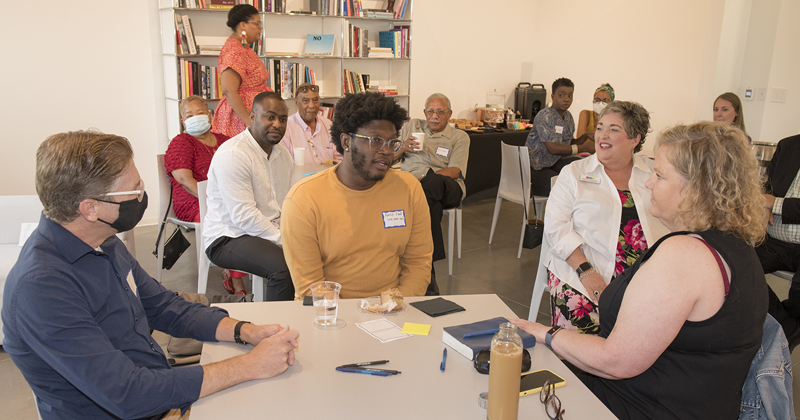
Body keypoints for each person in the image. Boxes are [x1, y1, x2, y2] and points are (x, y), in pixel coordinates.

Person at [2, 130, 299, 420]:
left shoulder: (103, 242)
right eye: (134, 190)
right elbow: (128, 394)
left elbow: (163, 306)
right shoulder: (42, 288)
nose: (143, 195)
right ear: (90, 209)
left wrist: (244, 331)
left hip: (160, 393)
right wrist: (249, 366)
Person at [513, 121, 768, 420]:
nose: (648, 183)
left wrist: (546, 333)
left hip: (645, 406)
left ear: (696, 190)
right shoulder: (736, 245)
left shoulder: (684, 256)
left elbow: (616, 361)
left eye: (659, 176)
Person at [281, 92, 433, 299]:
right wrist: (360, 316)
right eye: (375, 140)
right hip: (331, 316)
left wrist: (394, 304)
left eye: (391, 142)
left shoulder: (409, 188)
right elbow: (310, 287)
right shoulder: (303, 200)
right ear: (346, 141)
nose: (386, 151)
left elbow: (418, 263)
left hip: (395, 308)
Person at [543, 101, 669, 334]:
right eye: (600, 127)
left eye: (614, 129)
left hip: (644, 278)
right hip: (582, 274)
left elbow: (674, 220)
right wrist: (588, 273)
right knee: (582, 340)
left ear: (635, 139)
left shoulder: (653, 174)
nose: (603, 135)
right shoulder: (574, 174)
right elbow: (556, 228)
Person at [204, 92, 294, 300]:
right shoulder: (234, 154)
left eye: (282, 119)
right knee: (283, 267)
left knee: (315, 254)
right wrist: (284, 240)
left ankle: (307, 316)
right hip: (228, 236)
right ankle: (276, 329)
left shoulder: (283, 155)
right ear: (252, 117)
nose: (277, 124)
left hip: (262, 230)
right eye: (269, 117)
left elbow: (283, 205)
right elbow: (243, 216)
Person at [394, 92, 469, 295]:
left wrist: (424, 180)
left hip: (447, 186)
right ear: (424, 113)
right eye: (430, 112)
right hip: (418, 189)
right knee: (428, 203)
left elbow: (455, 171)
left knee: (431, 183)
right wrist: (402, 147)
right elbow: (389, 156)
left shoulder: (459, 137)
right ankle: (429, 277)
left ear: (449, 114)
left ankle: (423, 271)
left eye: (440, 112)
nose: (434, 116)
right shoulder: (411, 126)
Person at [757, 133, 800, 349]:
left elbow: (771, 199)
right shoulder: (788, 146)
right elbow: (763, 188)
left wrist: (775, 204)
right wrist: (762, 202)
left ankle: (785, 333)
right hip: (774, 239)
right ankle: (787, 325)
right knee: (734, 263)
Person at [165, 95, 230, 223]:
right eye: (189, 116)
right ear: (183, 121)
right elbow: (184, 180)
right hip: (195, 202)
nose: (195, 118)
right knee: (231, 218)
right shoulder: (181, 142)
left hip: (228, 197)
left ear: (209, 116)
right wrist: (215, 200)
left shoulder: (225, 140)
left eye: (200, 113)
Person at [527, 78, 596, 197]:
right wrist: (584, 148)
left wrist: (585, 136)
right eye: (561, 95)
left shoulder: (568, 117)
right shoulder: (545, 116)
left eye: (570, 96)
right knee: (566, 186)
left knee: (584, 167)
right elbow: (553, 148)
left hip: (555, 162)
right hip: (536, 168)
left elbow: (568, 144)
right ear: (553, 96)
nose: (566, 99)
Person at [212, 4, 271, 138]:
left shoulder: (242, 48)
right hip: (241, 119)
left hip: (252, 114)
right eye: (257, 23)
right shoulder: (234, 50)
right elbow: (229, 90)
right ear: (243, 25)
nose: (260, 28)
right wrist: (250, 123)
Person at [279, 83, 342, 165]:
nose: (312, 105)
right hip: (300, 177)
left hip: (327, 176)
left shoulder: (329, 125)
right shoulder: (286, 128)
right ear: (296, 102)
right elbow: (285, 164)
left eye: (315, 100)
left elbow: (340, 159)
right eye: (305, 101)